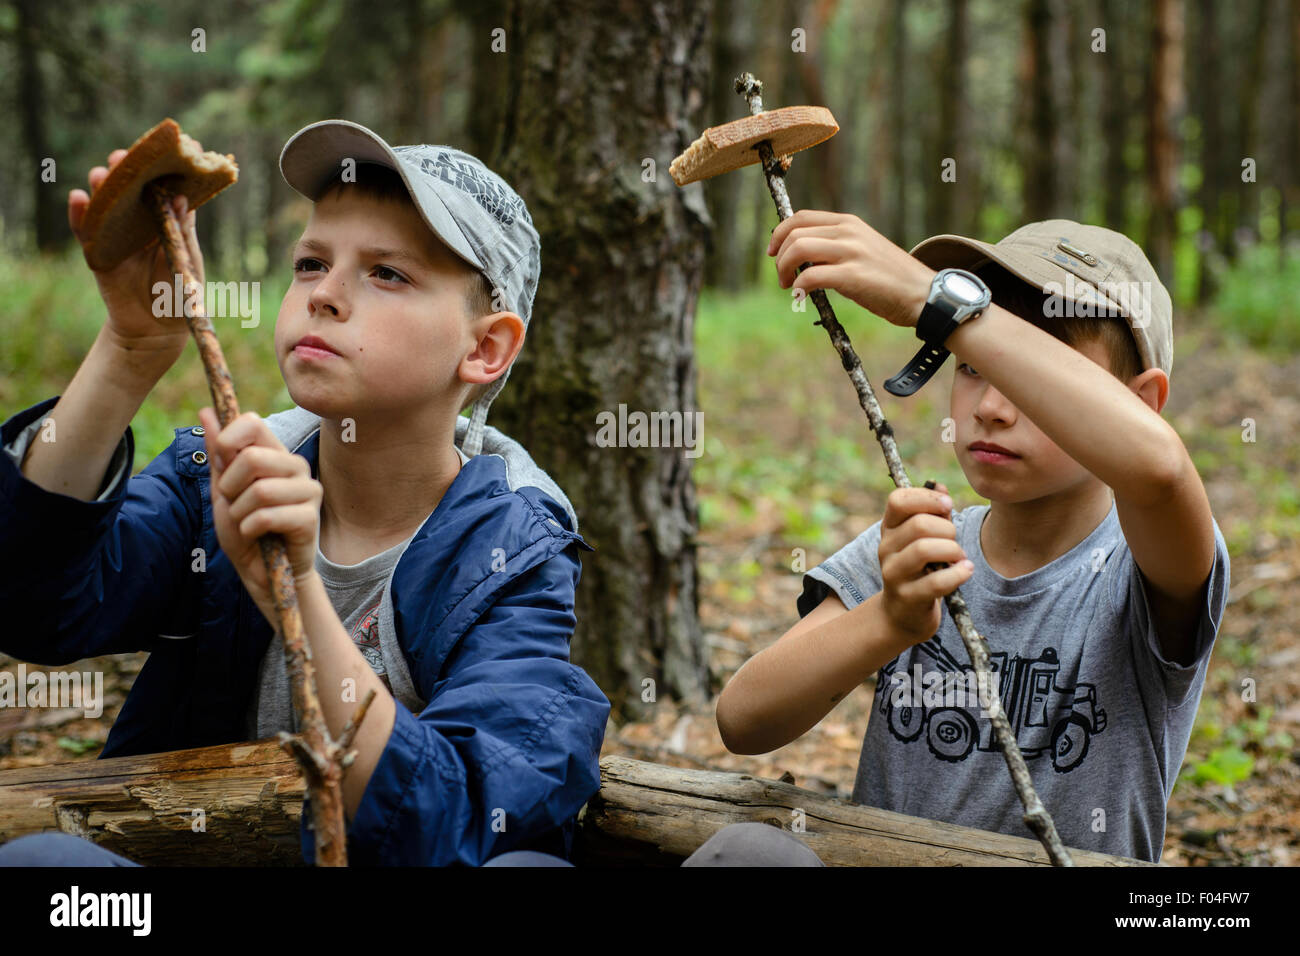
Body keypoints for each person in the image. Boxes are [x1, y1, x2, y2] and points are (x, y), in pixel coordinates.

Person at [0, 120, 610, 867]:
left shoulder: (511, 553)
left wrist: (294, 589)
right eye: (312, 262)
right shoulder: (224, 474)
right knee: (46, 868)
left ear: (484, 348)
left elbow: (457, 821)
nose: (324, 294)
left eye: (387, 273)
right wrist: (129, 350)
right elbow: (36, 608)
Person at [713, 213, 1230, 865]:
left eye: (1029, 371)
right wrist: (891, 618)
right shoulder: (919, 544)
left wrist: (946, 308)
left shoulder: (1142, 568)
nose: (991, 406)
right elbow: (744, 719)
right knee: (749, 851)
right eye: (970, 366)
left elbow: (1158, 471)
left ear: (1141, 401)